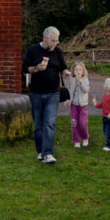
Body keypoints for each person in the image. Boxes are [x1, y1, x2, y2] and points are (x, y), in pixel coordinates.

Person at [22, 26, 71, 164]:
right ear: (45, 38)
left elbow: (63, 67)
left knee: (49, 123)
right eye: (53, 40)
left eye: (57, 41)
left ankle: (48, 153)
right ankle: (40, 151)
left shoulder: (58, 51)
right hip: (36, 93)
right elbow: (25, 69)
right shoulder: (32, 50)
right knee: (38, 125)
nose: (55, 43)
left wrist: (66, 73)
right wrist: (37, 68)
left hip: (53, 93)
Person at [93, 77, 110, 151]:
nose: (103, 85)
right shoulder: (105, 96)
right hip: (105, 117)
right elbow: (102, 105)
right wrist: (96, 104)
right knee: (105, 132)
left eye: (105, 84)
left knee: (108, 132)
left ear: (109, 86)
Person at [69, 61, 91, 148]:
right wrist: (68, 99)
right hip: (74, 105)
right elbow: (69, 90)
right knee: (74, 123)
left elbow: (86, 90)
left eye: (80, 70)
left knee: (82, 123)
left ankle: (85, 137)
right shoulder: (71, 79)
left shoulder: (85, 79)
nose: (78, 71)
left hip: (83, 105)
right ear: (73, 71)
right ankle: (77, 140)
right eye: (76, 69)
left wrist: (81, 82)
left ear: (83, 72)